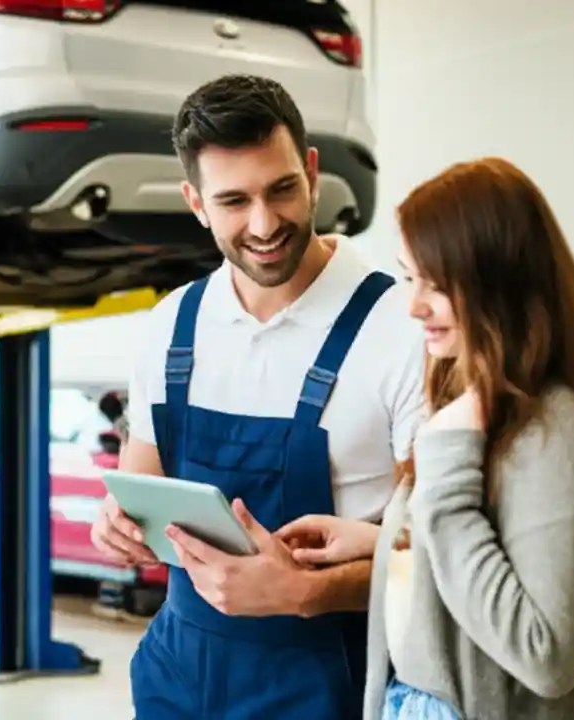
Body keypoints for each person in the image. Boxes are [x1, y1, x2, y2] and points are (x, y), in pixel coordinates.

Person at [90, 74, 427, 719]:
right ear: (196, 202)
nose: (265, 224)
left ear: (312, 171)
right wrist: (119, 523)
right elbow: (143, 485)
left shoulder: (402, 327)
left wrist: (308, 592)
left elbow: (439, 559)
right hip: (178, 678)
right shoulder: (171, 325)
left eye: (281, 190)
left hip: (331, 685)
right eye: (234, 201)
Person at [277, 157, 574, 719]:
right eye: (408, 277)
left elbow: (544, 653)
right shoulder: (478, 401)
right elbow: (483, 561)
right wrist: (385, 539)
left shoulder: (562, 429)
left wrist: (443, 485)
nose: (414, 305)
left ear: (499, 282)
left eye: (438, 285)